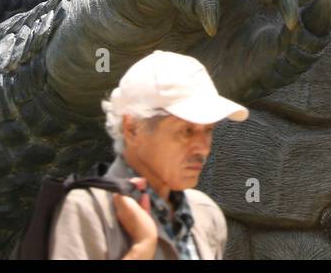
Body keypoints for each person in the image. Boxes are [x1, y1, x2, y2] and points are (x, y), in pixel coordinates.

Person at [48, 51, 247, 260]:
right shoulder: (87, 211)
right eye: (186, 131)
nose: (203, 149)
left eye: (207, 130)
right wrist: (142, 248)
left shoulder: (206, 215)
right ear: (132, 128)